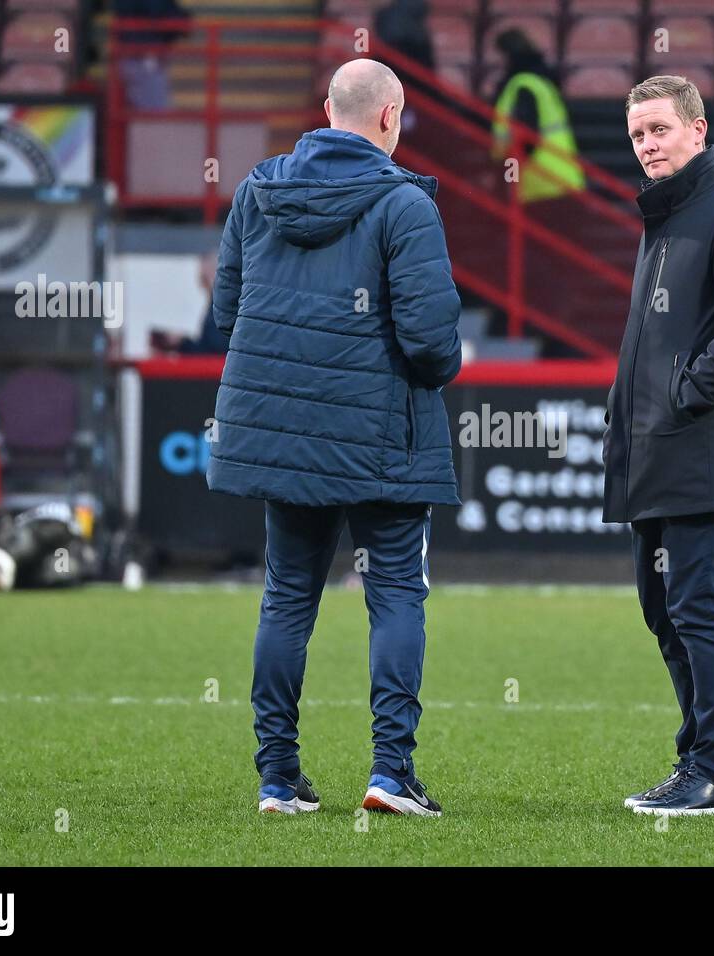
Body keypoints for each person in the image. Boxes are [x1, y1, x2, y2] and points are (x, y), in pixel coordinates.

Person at [207, 59, 462, 817]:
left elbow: (228, 312)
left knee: (287, 597)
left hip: (285, 435)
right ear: (392, 117)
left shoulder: (258, 190)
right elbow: (429, 340)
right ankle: (390, 773)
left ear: (327, 109)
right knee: (395, 596)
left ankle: (278, 780)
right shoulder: (404, 203)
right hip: (383, 435)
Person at [603, 75, 714, 816]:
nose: (648, 144)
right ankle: (694, 765)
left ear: (699, 131)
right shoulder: (666, 220)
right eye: (638, 133)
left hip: (701, 451)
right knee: (665, 610)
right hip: (657, 452)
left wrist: (683, 396)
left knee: (698, 608)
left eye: (660, 130)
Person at [489, 28, 585, 204]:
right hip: (562, 176)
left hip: (539, 181)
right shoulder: (542, 82)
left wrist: (509, 177)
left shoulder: (522, 86)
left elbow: (526, 136)